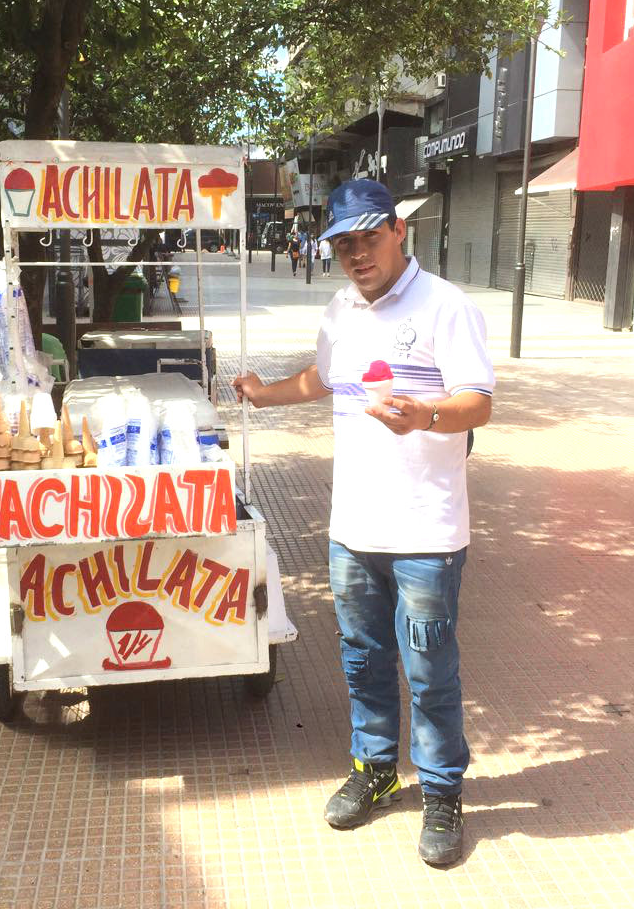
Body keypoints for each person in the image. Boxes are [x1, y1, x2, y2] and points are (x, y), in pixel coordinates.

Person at [232, 178, 493, 867]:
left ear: (398, 231)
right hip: (353, 528)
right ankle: (375, 770)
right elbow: (323, 379)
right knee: (363, 659)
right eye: (344, 243)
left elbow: (478, 402)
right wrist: (266, 396)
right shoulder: (340, 309)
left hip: (426, 533)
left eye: (368, 237)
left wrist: (428, 415)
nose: (356, 253)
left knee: (430, 669)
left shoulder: (446, 305)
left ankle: (441, 792)